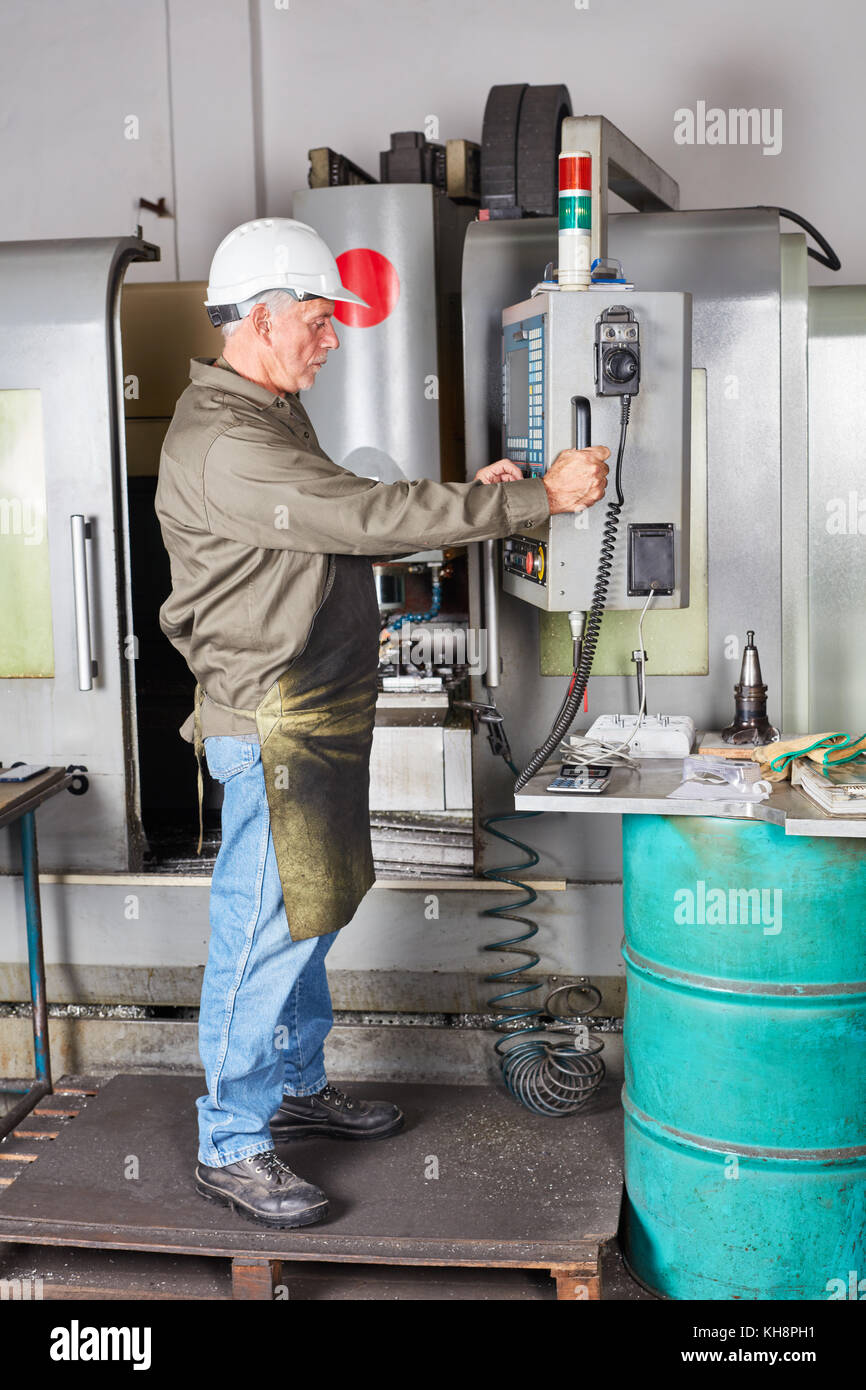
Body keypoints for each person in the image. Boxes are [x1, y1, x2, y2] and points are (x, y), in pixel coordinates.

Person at [154, 217, 610, 1229]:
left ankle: (291, 1086)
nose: (331, 339)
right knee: (261, 931)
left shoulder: (268, 412)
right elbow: (361, 520)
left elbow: (337, 513)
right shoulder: (231, 439)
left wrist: (474, 498)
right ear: (262, 321)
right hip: (272, 718)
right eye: (318, 322)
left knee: (309, 914)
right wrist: (536, 499)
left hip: (315, 709)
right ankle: (229, 1140)